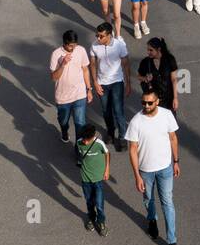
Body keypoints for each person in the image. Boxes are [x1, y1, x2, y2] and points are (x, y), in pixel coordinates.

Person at [125, 88, 180, 245]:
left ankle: (172, 242)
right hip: (145, 171)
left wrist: (176, 161)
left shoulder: (166, 115)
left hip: (165, 168)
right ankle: (152, 220)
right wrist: (137, 176)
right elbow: (132, 150)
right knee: (149, 199)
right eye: (143, 102)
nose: (146, 105)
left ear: (157, 102)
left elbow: (172, 138)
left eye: (149, 102)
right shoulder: (136, 122)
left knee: (168, 203)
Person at [89, 23, 129, 152]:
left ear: (109, 35)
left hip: (117, 81)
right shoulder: (95, 45)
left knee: (118, 111)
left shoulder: (119, 45)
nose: (98, 38)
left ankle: (123, 136)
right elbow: (93, 64)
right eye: (97, 35)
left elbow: (126, 64)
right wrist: (95, 82)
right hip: (102, 83)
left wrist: (128, 83)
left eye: (101, 36)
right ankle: (111, 132)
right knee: (106, 111)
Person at [49, 30, 92, 143]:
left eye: (75, 45)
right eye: (71, 46)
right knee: (63, 121)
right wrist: (62, 64)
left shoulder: (81, 50)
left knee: (80, 123)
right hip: (63, 97)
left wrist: (89, 89)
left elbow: (85, 70)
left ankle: (79, 153)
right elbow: (53, 77)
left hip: (79, 94)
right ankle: (64, 130)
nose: (73, 48)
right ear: (65, 43)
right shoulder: (56, 54)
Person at [76, 123, 110, 236]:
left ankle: (101, 222)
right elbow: (80, 156)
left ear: (94, 136)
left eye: (88, 140)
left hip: (98, 179)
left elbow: (107, 153)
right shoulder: (79, 143)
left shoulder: (99, 144)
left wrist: (106, 170)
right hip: (85, 179)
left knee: (99, 204)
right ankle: (91, 218)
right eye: (84, 139)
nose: (85, 142)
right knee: (89, 202)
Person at [137, 38, 178, 113]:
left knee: (170, 121)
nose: (148, 52)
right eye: (148, 50)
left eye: (151, 50)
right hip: (153, 101)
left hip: (168, 99)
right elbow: (139, 77)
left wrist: (175, 98)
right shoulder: (145, 62)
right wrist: (145, 78)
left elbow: (174, 79)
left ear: (158, 49)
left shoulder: (169, 60)